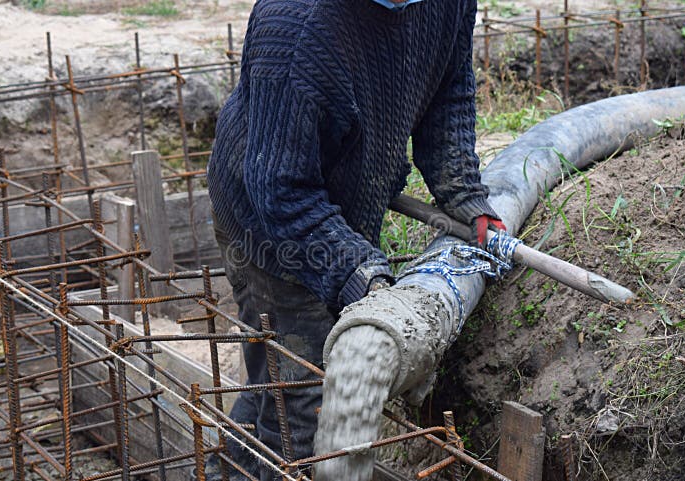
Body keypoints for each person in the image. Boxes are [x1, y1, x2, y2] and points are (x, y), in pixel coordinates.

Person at [205, 0, 506, 478]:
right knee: (304, 403)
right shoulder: (295, 23)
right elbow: (280, 190)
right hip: (266, 222)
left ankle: (231, 470)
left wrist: (463, 192)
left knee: (277, 381)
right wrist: (357, 272)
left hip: (337, 200)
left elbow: (448, 87)